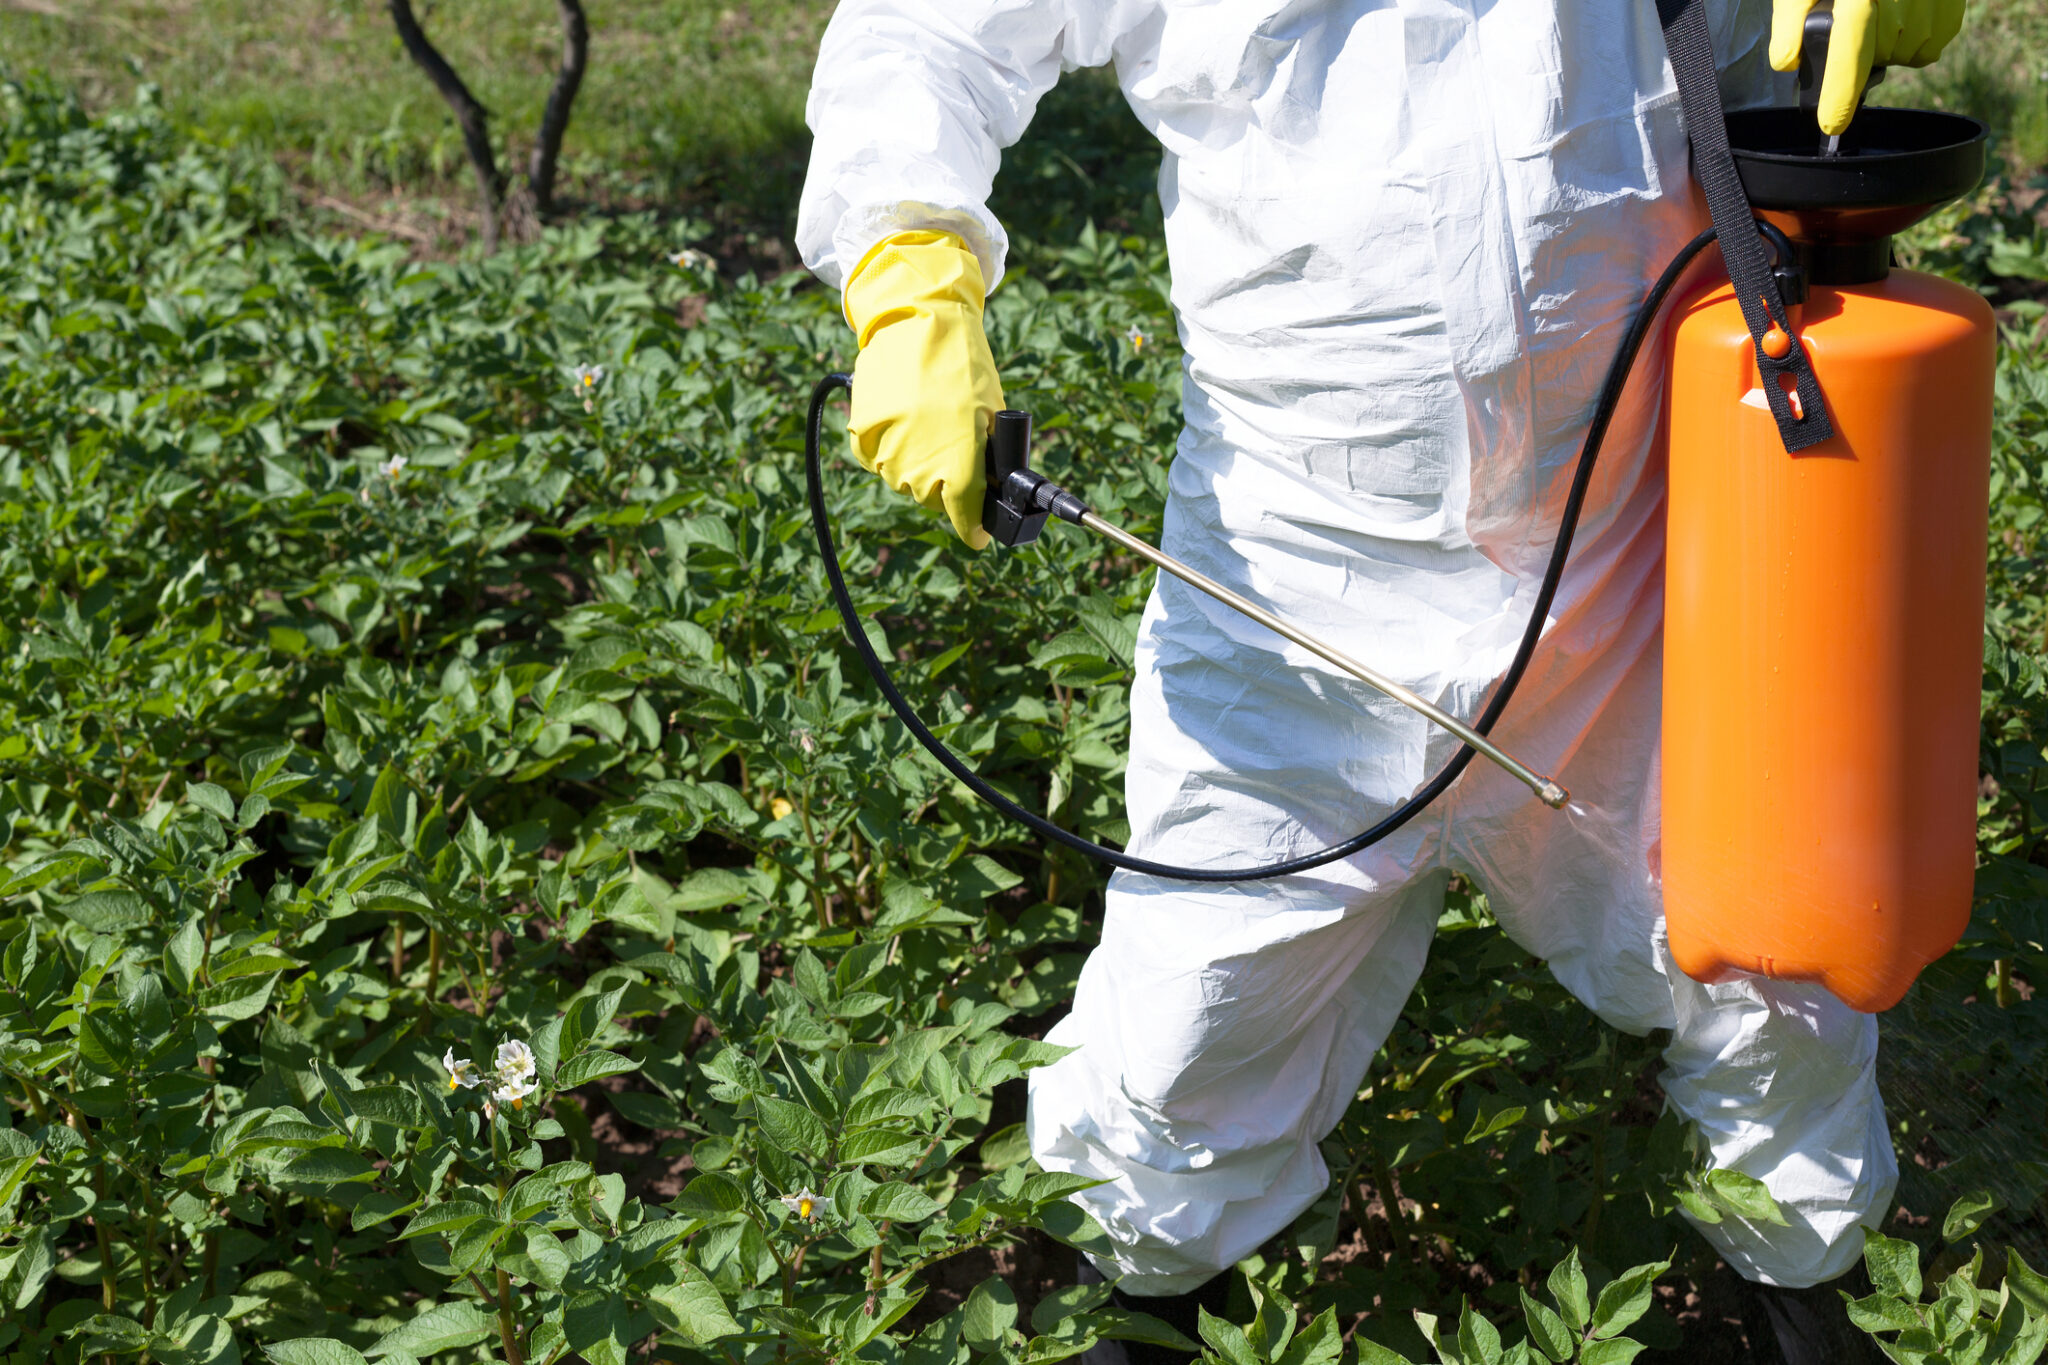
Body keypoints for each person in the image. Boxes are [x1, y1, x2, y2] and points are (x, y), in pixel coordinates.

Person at [797, 2, 1966, 1361]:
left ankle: (1806, 1307)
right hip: (1293, 591)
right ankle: (1147, 1318)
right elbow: (929, 35)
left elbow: (1755, 48)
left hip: (1634, 549)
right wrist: (905, 263)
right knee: (1192, 1017)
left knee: (1780, 951)